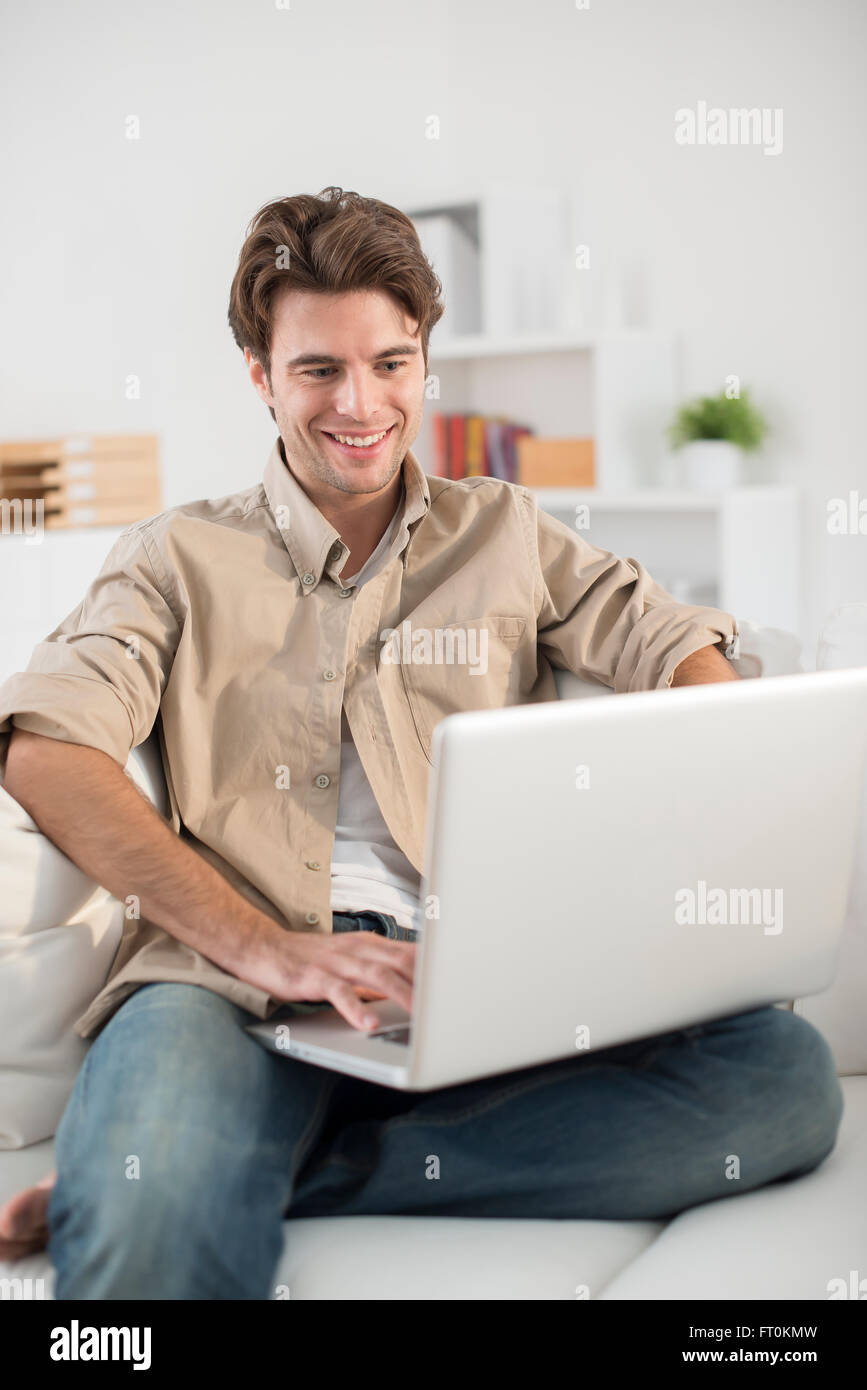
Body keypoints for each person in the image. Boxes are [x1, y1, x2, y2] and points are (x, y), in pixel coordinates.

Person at [0, 187, 841, 1298]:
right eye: (318, 370)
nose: (362, 403)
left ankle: (241, 1172)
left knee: (782, 1080)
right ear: (260, 376)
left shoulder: (503, 529)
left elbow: (665, 635)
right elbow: (48, 745)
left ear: (424, 361)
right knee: (152, 1244)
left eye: (391, 363)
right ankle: (163, 1181)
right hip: (227, 988)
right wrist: (270, 949)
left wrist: (720, 749)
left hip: (480, 983)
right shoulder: (174, 556)